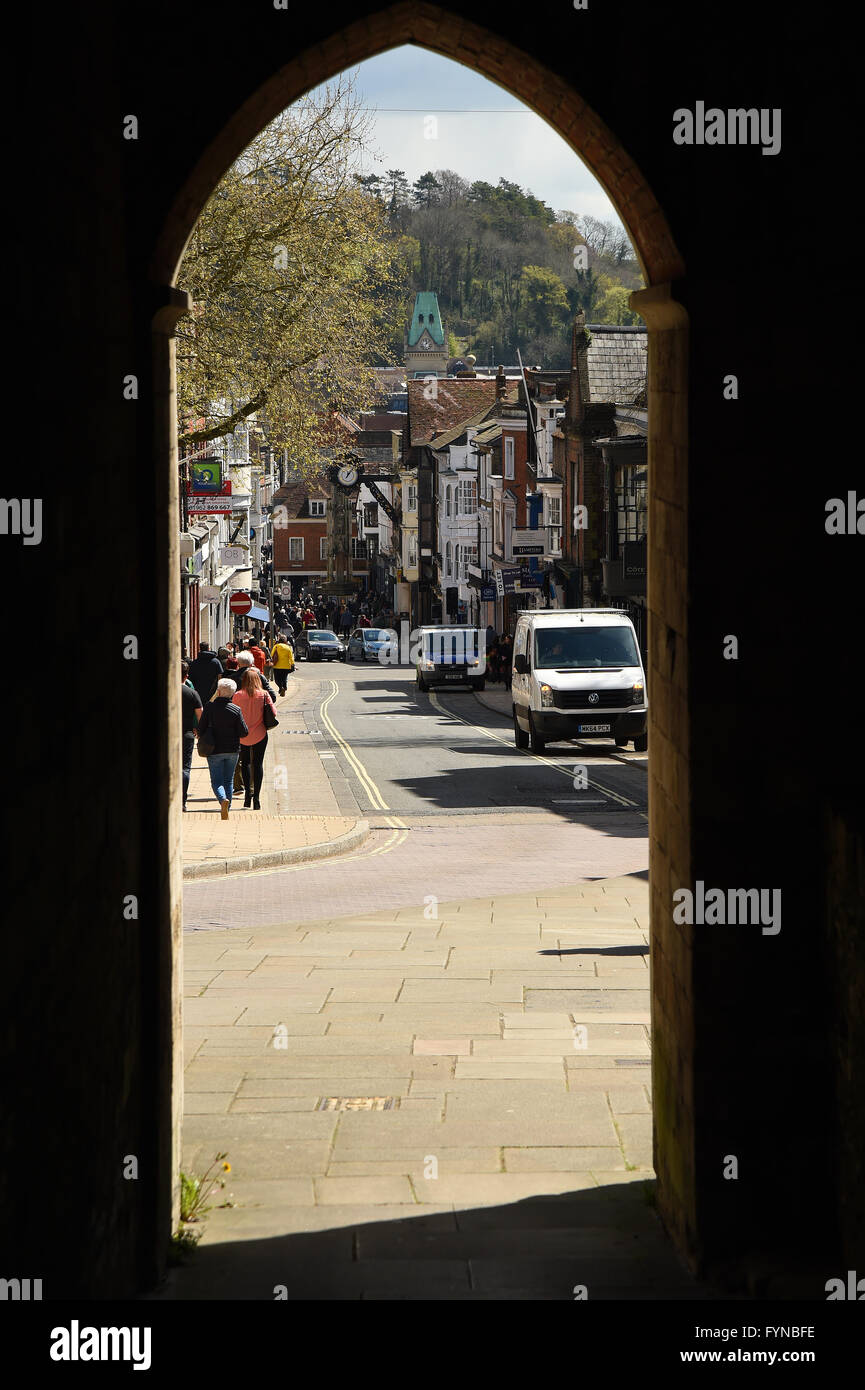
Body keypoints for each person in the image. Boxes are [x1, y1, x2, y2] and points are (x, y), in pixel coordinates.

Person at [196, 677, 248, 819]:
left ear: (218, 692)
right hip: (232, 750)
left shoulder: (209, 707)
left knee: (216, 780)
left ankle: (222, 800)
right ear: (232, 693)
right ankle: (228, 807)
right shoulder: (236, 709)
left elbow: (200, 729)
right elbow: (244, 732)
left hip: (214, 749)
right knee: (228, 780)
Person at [234, 665, 276, 809]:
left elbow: (234, 713)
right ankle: (256, 799)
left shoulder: (238, 695)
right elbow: (274, 713)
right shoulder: (264, 694)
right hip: (260, 733)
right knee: (258, 764)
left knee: (245, 763)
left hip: (242, 734)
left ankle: (247, 797)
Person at [181, 659, 202, 811]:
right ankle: (182, 801)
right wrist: (199, 730)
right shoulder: (192, 693)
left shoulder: (163, 689)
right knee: (185, 768)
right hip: (187, 733)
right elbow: (201, 716)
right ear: (186, 676)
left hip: (166, 735)